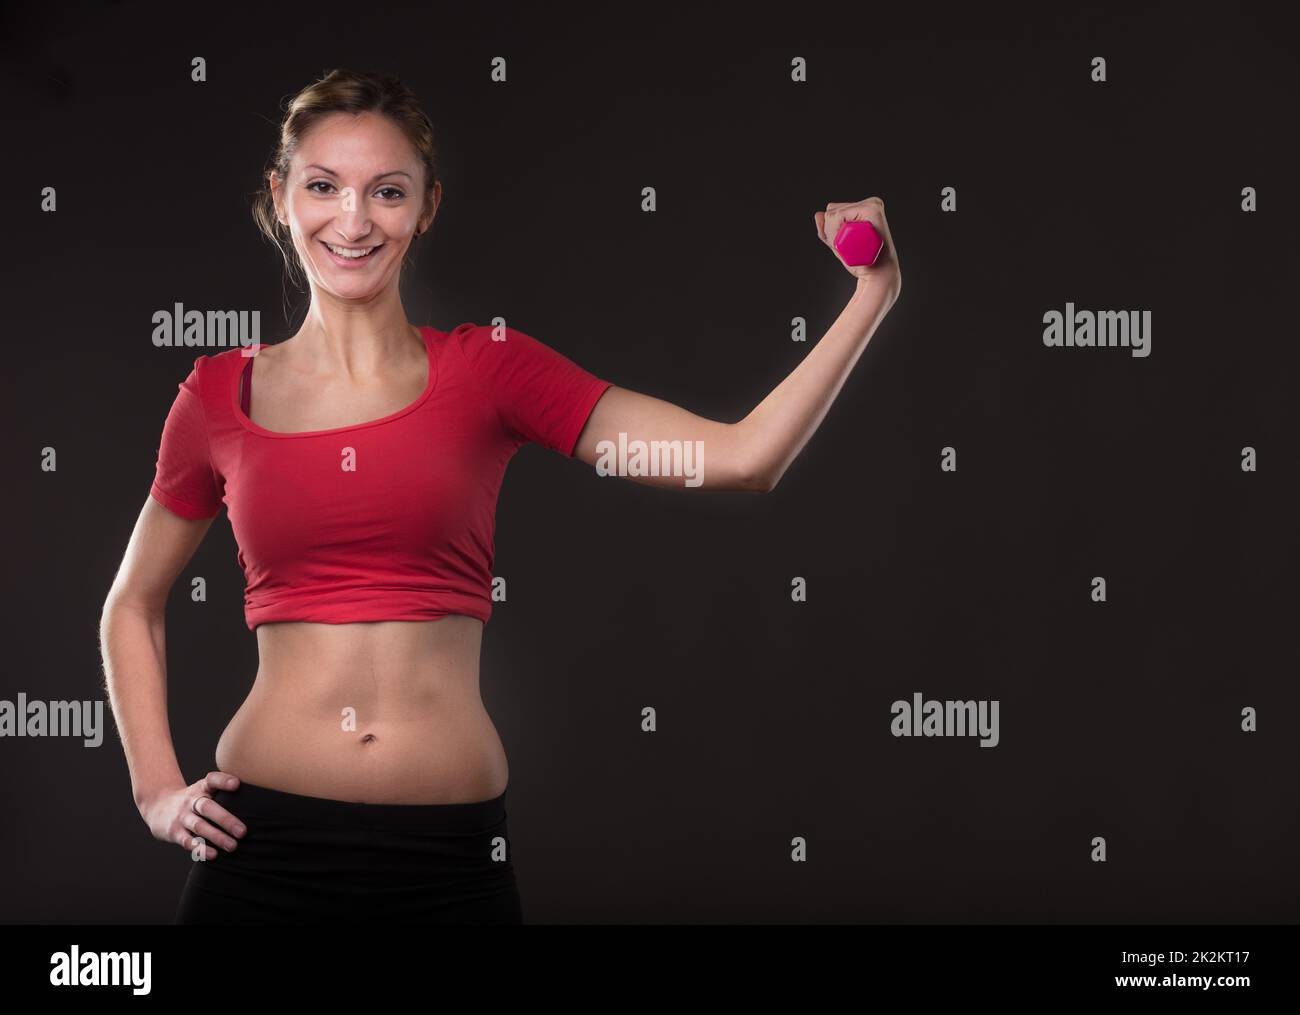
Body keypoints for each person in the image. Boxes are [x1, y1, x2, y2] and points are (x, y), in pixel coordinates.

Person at [98, 67, 902, 925]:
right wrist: (156, 791)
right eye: (324, 186)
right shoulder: (218, 395)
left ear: (427, 206)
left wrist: (874, 292)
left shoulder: (491, 370)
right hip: (262, 851)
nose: (355, 219)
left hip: (449, 861)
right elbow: (132, 606)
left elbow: (745, 456)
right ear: (281, 194)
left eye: (389, 192)